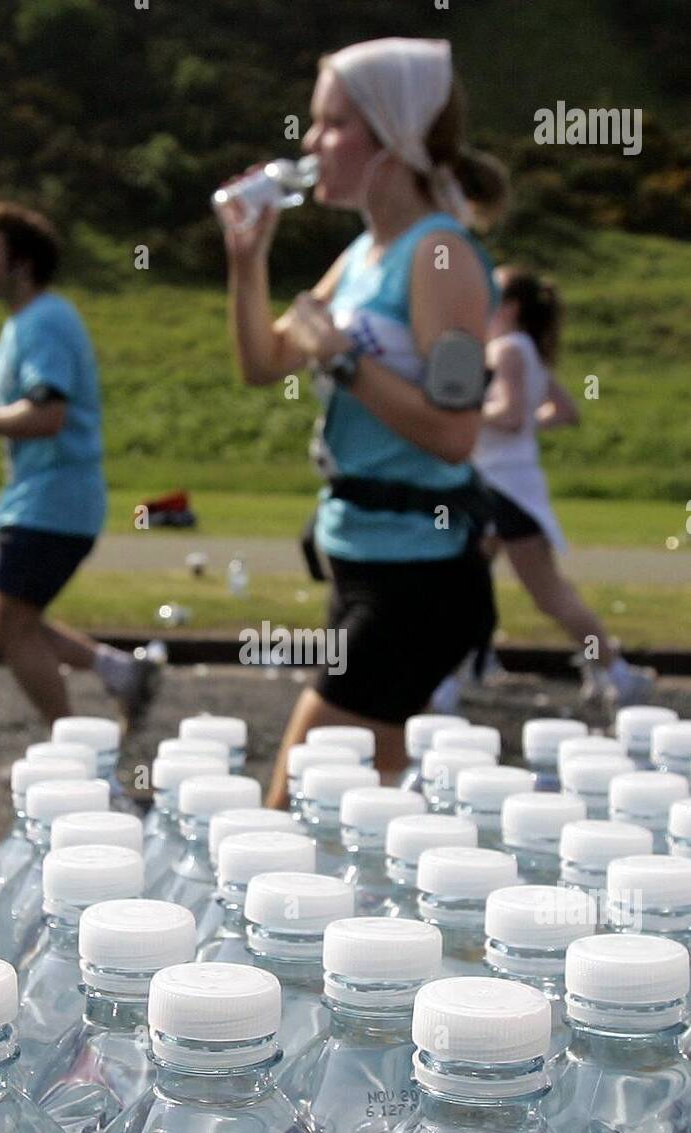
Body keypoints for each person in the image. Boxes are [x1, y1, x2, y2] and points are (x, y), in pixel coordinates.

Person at [221, 38, 508, 807]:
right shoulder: (362, 255)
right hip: (361, 563)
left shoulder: (439, 254)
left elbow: (456, 434)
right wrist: (247, 258)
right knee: (352, 819)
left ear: (395, 137)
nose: (310, 144)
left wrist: (347, 361)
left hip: (419, 580)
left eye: (333, 125)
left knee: (286, 808)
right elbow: (262, 362)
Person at [0, 202, 158, 726]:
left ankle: (72, 756)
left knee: (10, 627)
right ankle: (120, 673)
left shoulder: (45, 320)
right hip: (41, 498)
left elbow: (49, 413)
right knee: (1, 624)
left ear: (21, 263)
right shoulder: (23, 323)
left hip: (54, 500)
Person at [431, 266, 654, 711]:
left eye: (491, 290)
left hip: (502, 488)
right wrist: (516, 422)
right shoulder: (518, 348)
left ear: (509, 306)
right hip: (501, 484)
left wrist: (463, 408)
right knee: (467, 583)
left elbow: (511, 414)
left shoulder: (509, 348)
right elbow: (563, 410)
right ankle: (464, 671)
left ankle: (616, 671)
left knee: (543, 593)